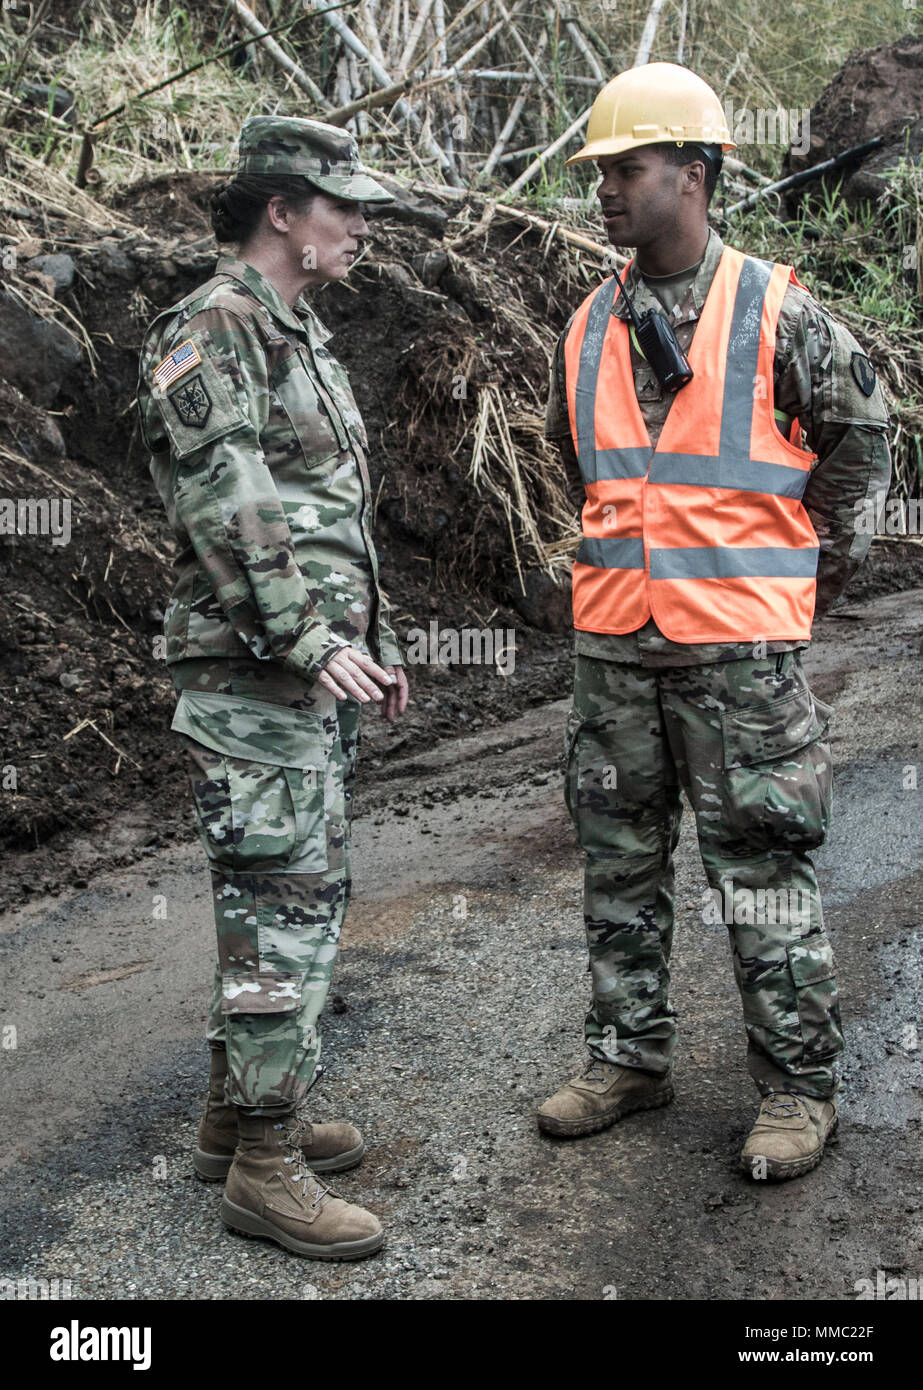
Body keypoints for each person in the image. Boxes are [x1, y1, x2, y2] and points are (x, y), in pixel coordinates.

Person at [538, 64, 892, 1179]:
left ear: (689, 176)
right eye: (597, 170)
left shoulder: (774, 311)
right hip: (613, 657)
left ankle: (796, 1086)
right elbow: (581, 463)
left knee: (760, 867)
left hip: (739, 660)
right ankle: (626, 1058)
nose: (602, 187)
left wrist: (805, 583)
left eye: (623, 167)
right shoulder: (588, 322)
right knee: (617, 865)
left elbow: (861, 444)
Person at [137, 116, 409, 1258]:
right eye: (339, 202)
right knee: (282, 915)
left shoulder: (296, 331)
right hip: (255, 677)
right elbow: (228, 498)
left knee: (279, 904)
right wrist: (304, 635)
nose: (358, 223)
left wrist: (363, 637)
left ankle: (224, 1118)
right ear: (280, 210)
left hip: (300, 675)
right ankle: (263, 1162)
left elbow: (326, 515)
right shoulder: (214, 326)